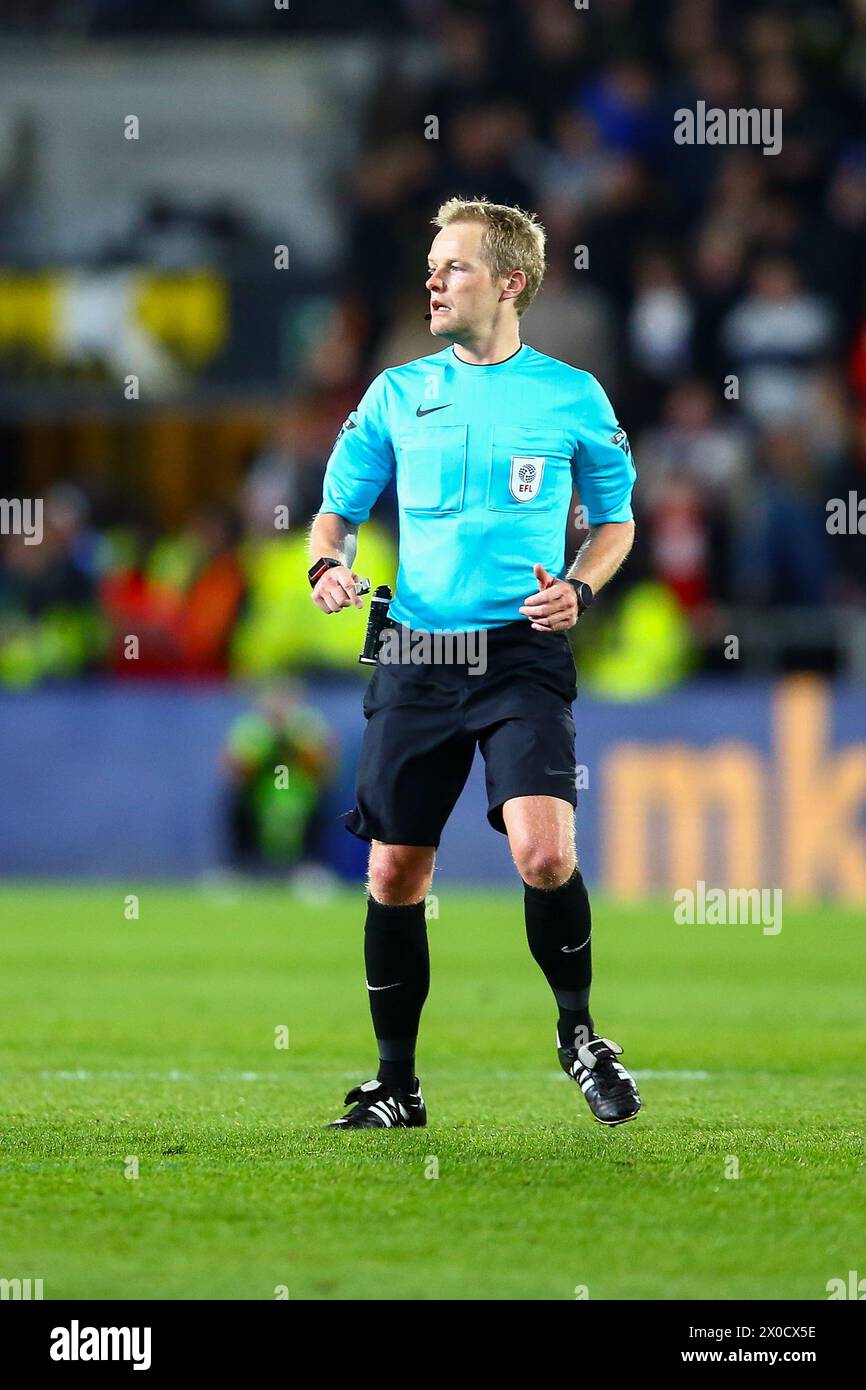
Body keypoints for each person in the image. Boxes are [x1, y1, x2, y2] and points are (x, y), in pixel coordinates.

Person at [308, 196, 640, 1129]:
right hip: (415, 654)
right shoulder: (395, 392)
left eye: (451, 267)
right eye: (431, 267)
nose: (433, 281)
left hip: (518, 655)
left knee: (543, 853)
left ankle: (579, 1034)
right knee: (394, 875)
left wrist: (581, 584)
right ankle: (395, 1084)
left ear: (510, 282)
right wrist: (328, 561)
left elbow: (616, 522)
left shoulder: (573, 395)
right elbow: (336, 509)